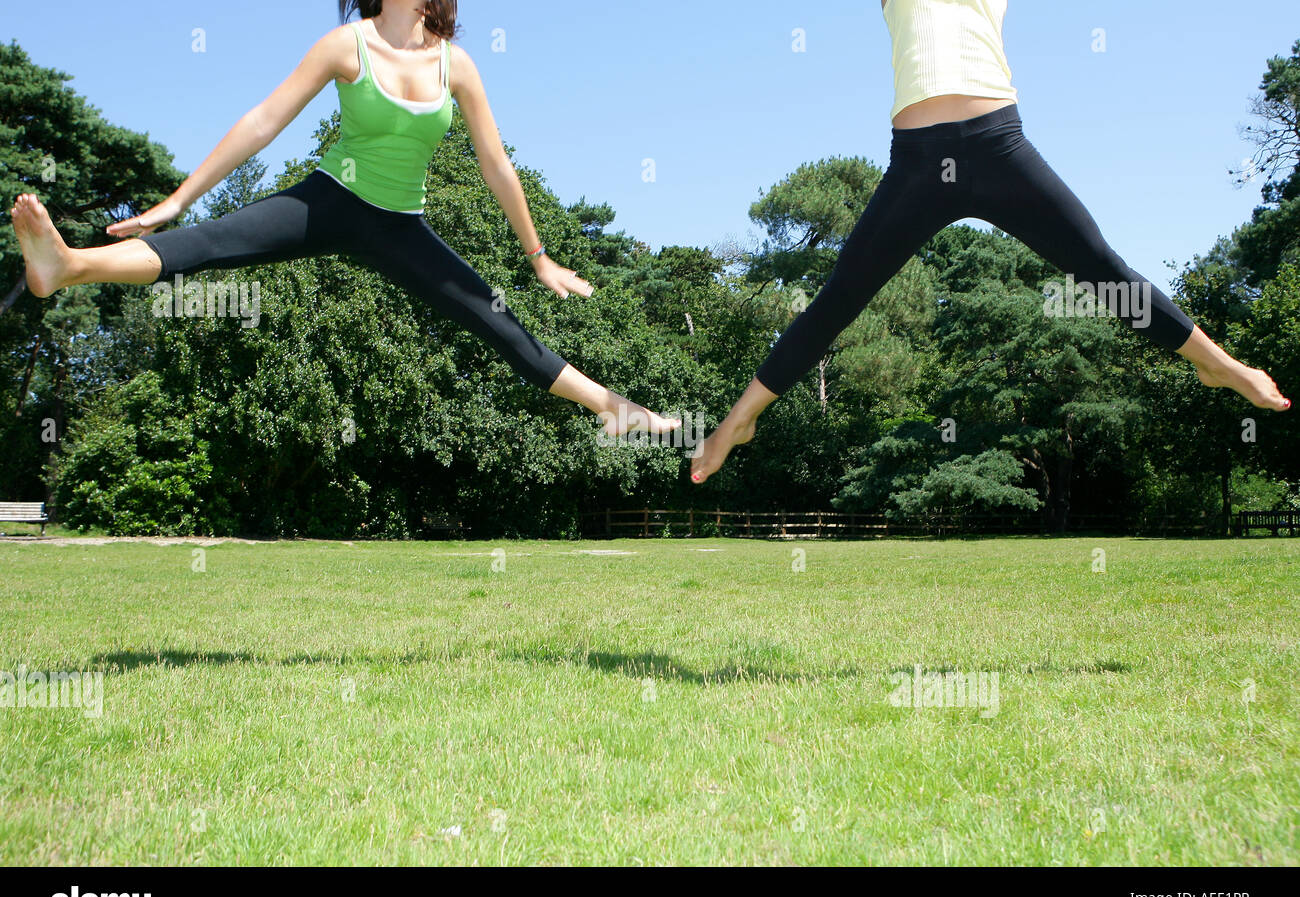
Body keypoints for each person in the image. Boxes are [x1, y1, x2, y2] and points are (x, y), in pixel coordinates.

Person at [10, 0, 679, 440]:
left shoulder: (457, 64)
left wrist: (538, 256)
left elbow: (495, 163)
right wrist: (178, 199)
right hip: (330, 202)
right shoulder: (345, 45)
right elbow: (263, 121)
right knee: (209, 244)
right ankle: (66, 266)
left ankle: (613, 409)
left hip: (398, 226)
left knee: (493, 318)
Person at [690, 0, 1289, 484]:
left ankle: (1219, 366)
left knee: (1101, 268)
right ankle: (739, 421)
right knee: (838, 298)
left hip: (999, 147)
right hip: (918, 163)